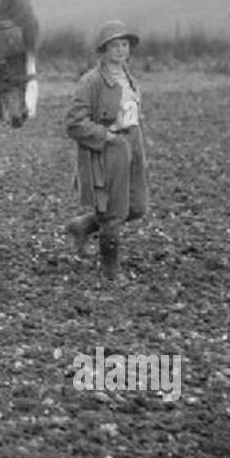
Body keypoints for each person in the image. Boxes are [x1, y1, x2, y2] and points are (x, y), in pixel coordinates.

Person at [63, 21, 148, 280]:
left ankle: (84, 225)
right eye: (115, 46)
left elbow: (131, 114)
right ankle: (110, 269)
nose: (121, 51)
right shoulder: (91, 81)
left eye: (124, 45)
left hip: (132, 143)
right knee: (114, 210)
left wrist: (136, 141)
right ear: (104, 50)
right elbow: (74, 122)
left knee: (137, 207)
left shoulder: (130, 78)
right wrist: (105, 135)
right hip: (108, 149)